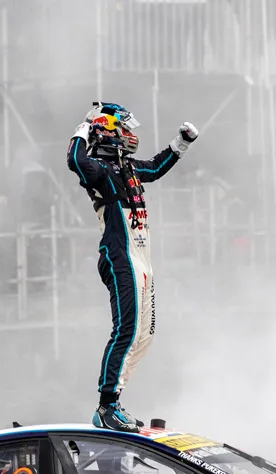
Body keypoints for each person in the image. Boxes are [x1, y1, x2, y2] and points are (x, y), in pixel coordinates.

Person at [65, 102, 198, 432]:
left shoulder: (128, 167)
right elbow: (74, 160)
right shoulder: (96, 168)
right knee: (126, 330)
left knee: (145, 334)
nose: (130, 134)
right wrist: (84, 126)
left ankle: (116, 400)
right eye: (124, 128)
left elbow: (154, 167)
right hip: (119, 257)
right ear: (108, 132)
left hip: (141, 260)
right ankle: (105, 406)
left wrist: (181, 143)